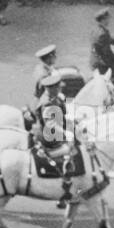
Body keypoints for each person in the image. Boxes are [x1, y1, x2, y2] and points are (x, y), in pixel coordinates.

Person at [28, 71, 75, 208]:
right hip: (49, 136)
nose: (61, 88)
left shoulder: (55, 98)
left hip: (56, 130)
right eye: (58, 86)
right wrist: (67, 133)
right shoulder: (47, 103)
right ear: (52, 88)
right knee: (70, 153)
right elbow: (51, 125)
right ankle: (63, 195)